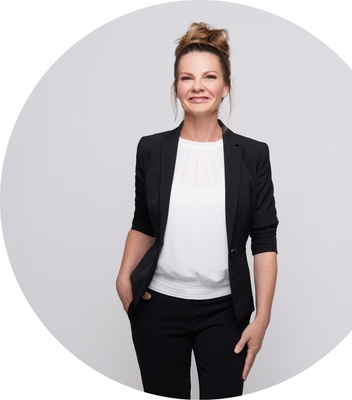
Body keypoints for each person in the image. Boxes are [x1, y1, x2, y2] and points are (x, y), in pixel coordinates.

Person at [116, 22, 279, 400]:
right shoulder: (151, 150)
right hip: (157, 307)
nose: (197, 86)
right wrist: (124, 277)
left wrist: (263, 318)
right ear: (176, 87)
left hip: (226, 312)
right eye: (186, 78)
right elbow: (144, 222)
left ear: (226, 87)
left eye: (209, 77)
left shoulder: (253, 154)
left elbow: (264, 239)